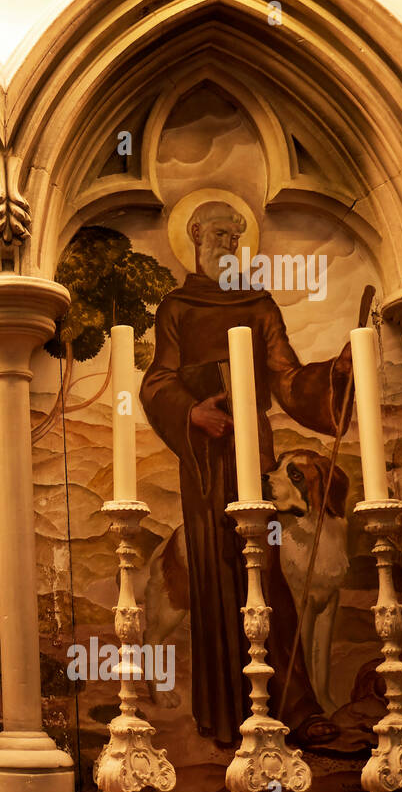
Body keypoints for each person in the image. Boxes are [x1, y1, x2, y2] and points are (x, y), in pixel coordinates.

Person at [140, 200, 351, 747]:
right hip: (206, 468)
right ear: (193, 235)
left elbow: (287, 378)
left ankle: (295, 708)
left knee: (271, 579)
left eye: (237, 237)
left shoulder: (259, 305)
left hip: (256, 461)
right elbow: (156, 380)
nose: (229, 244)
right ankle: (226, 712)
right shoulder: (177, 308)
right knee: (213, 577)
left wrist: (336, 375)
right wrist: (191, 411)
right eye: (219, 234)